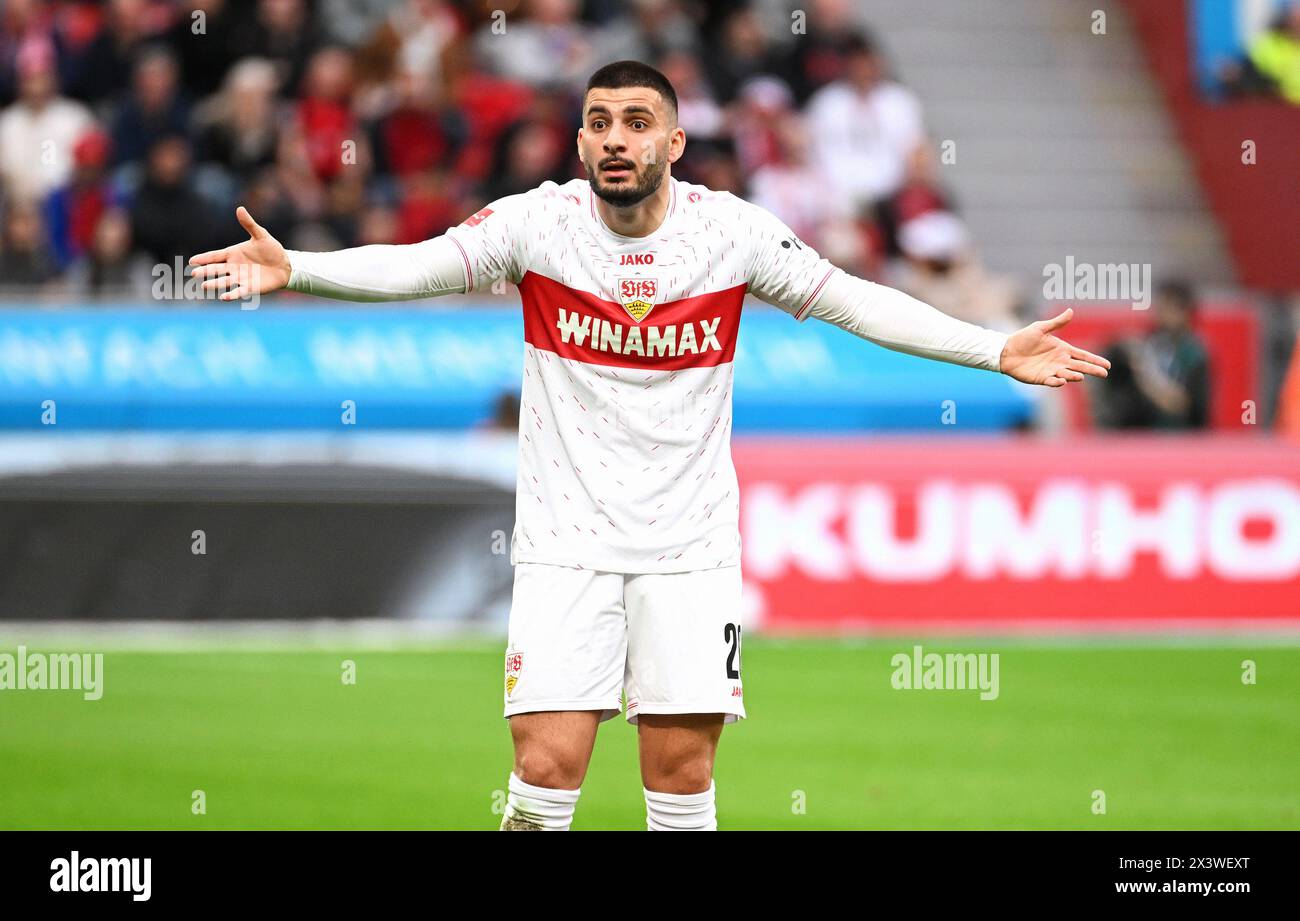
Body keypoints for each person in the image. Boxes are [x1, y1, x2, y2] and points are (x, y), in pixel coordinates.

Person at [188, 60, 1110, 831]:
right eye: (599, 123)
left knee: (679, 778)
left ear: (673, 143)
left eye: (637, 122)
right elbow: (416, 262)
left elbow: (855, 300)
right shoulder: (538, 226)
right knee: (545, 772)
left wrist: (992, 348)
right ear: (582, 143)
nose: (615, 138)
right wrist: (297, 266)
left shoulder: (731, 233)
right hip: (565, 543)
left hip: (691, 547)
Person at [1095, 280, 1210, 430]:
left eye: (1166, 308)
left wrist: (1143, 371)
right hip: (1146, 434)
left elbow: (1178, 404)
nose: (1159, 314)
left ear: (1184, 311)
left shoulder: (1194, 354)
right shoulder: (1153, 341)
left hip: (1180, 438)